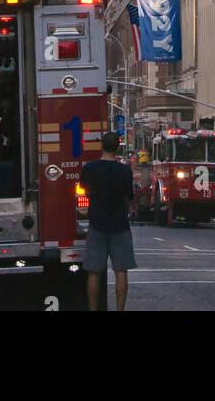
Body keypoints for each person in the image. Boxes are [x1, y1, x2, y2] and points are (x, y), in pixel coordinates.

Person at [79, 131, 137, 312]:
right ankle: (120, 309)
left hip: (97, 225)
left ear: (101, 146)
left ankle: (93, 308)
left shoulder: (90, 169)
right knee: (121, 272)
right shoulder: (125, 171)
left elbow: (85, 190)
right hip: (120, 225)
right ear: (118, 147)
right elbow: (129, 198)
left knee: (94, 273)